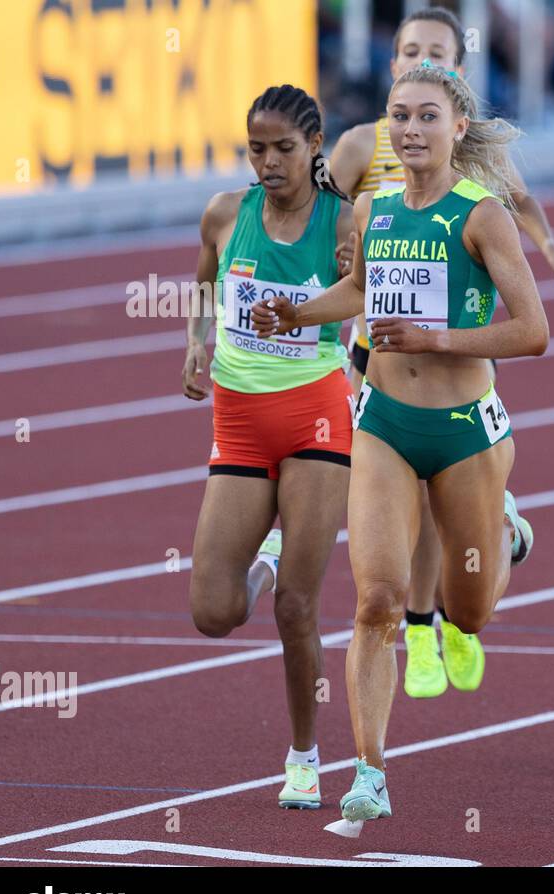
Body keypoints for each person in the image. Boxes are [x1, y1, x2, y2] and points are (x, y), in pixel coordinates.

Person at [252, 65, 548, 823]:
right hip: (383, 421)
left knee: (469, 612)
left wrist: (434, 338)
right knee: (376, 602)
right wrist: (299, 313)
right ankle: (371, 773)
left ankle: (507, 533)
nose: (410, 130)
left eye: (426, 117)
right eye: (398, 117)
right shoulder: (377, 209)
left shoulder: (483, 217)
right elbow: (361, 292)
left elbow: (533, 332)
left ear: (457, 127)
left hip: (461, 433)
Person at [328, 6, 554, 694]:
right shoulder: (360, 154)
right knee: (390, 543)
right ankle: (413, 633)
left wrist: (550, 251)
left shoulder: (480, 196)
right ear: (391, 69)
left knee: (469, 598)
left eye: (439, 54)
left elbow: (523, 228)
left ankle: (477, 573)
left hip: (459, 370)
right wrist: (291, 301)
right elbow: (325, 237)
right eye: (412, 51)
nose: (412, 125)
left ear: (460, 81)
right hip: (378, 369)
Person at [184, 85, 355, 810]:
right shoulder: (227, 213)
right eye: (257, 148)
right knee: (213, 613)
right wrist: (197, 338)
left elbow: (364, 293)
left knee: (297, 609)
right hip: (240, 420)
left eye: (284, 148)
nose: (270, 162)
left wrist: (303, 313)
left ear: (314, 147)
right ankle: (265, 560)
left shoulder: (346, 219)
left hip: (314, 416)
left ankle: (304, 756)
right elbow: (201, 282)